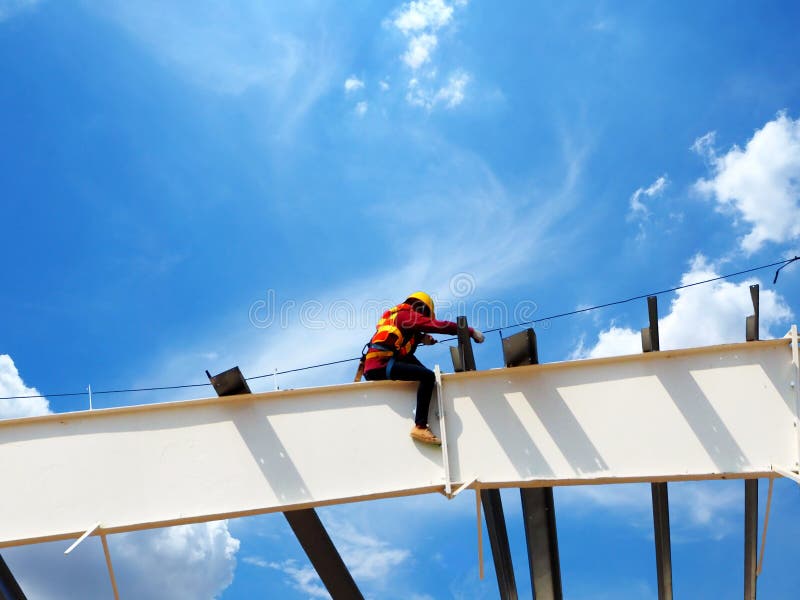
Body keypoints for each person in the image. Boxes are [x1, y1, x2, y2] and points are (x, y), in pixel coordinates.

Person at [363, 291, 484, 445]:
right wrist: (469, 330)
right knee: (427, 377)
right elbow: (436, 325)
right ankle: (420, 426)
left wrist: (420, 339)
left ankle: (425, 398)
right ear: (421, 308)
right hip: (383, 365)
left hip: (380, 364)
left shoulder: (398, 318)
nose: (424, 318)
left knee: (426, 373)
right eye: (425, 314)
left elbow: (404, 347)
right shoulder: (406, 316)